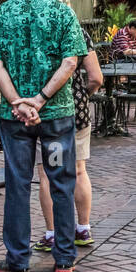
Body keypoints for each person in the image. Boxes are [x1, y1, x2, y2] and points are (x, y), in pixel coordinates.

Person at [0, 0, 87, 272]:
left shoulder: (4, 12)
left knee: (17, 184)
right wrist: (40, 101)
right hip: (55, 117)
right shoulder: (62, 13)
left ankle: (17, 260)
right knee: (60, 181)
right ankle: (65, 258)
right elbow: (70, 62)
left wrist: (17, 102)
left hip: (15, 120)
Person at [35, 14, 103, 254]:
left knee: (46, 174)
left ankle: (52, 233)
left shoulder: (34, 32)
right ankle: (83, 228)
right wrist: (82, 95)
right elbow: (96, 78)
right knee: (78, 169)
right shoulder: (78, 32)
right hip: (77, 112)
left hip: (42, 111)